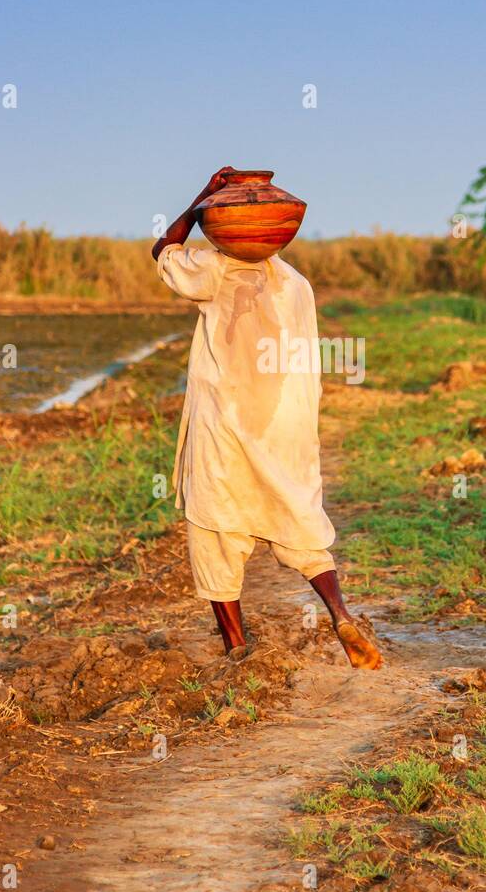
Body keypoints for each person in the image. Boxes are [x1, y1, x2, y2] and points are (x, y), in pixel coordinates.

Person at [152, 170, 382, 670]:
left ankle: (237, 648)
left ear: (223, 226)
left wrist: (200, 201)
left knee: (216, 530)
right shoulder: (296, 283)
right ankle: (340, 613)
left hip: (226, 425)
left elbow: (163, 254)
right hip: (285, 424)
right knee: (300, 523)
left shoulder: (215, 269)